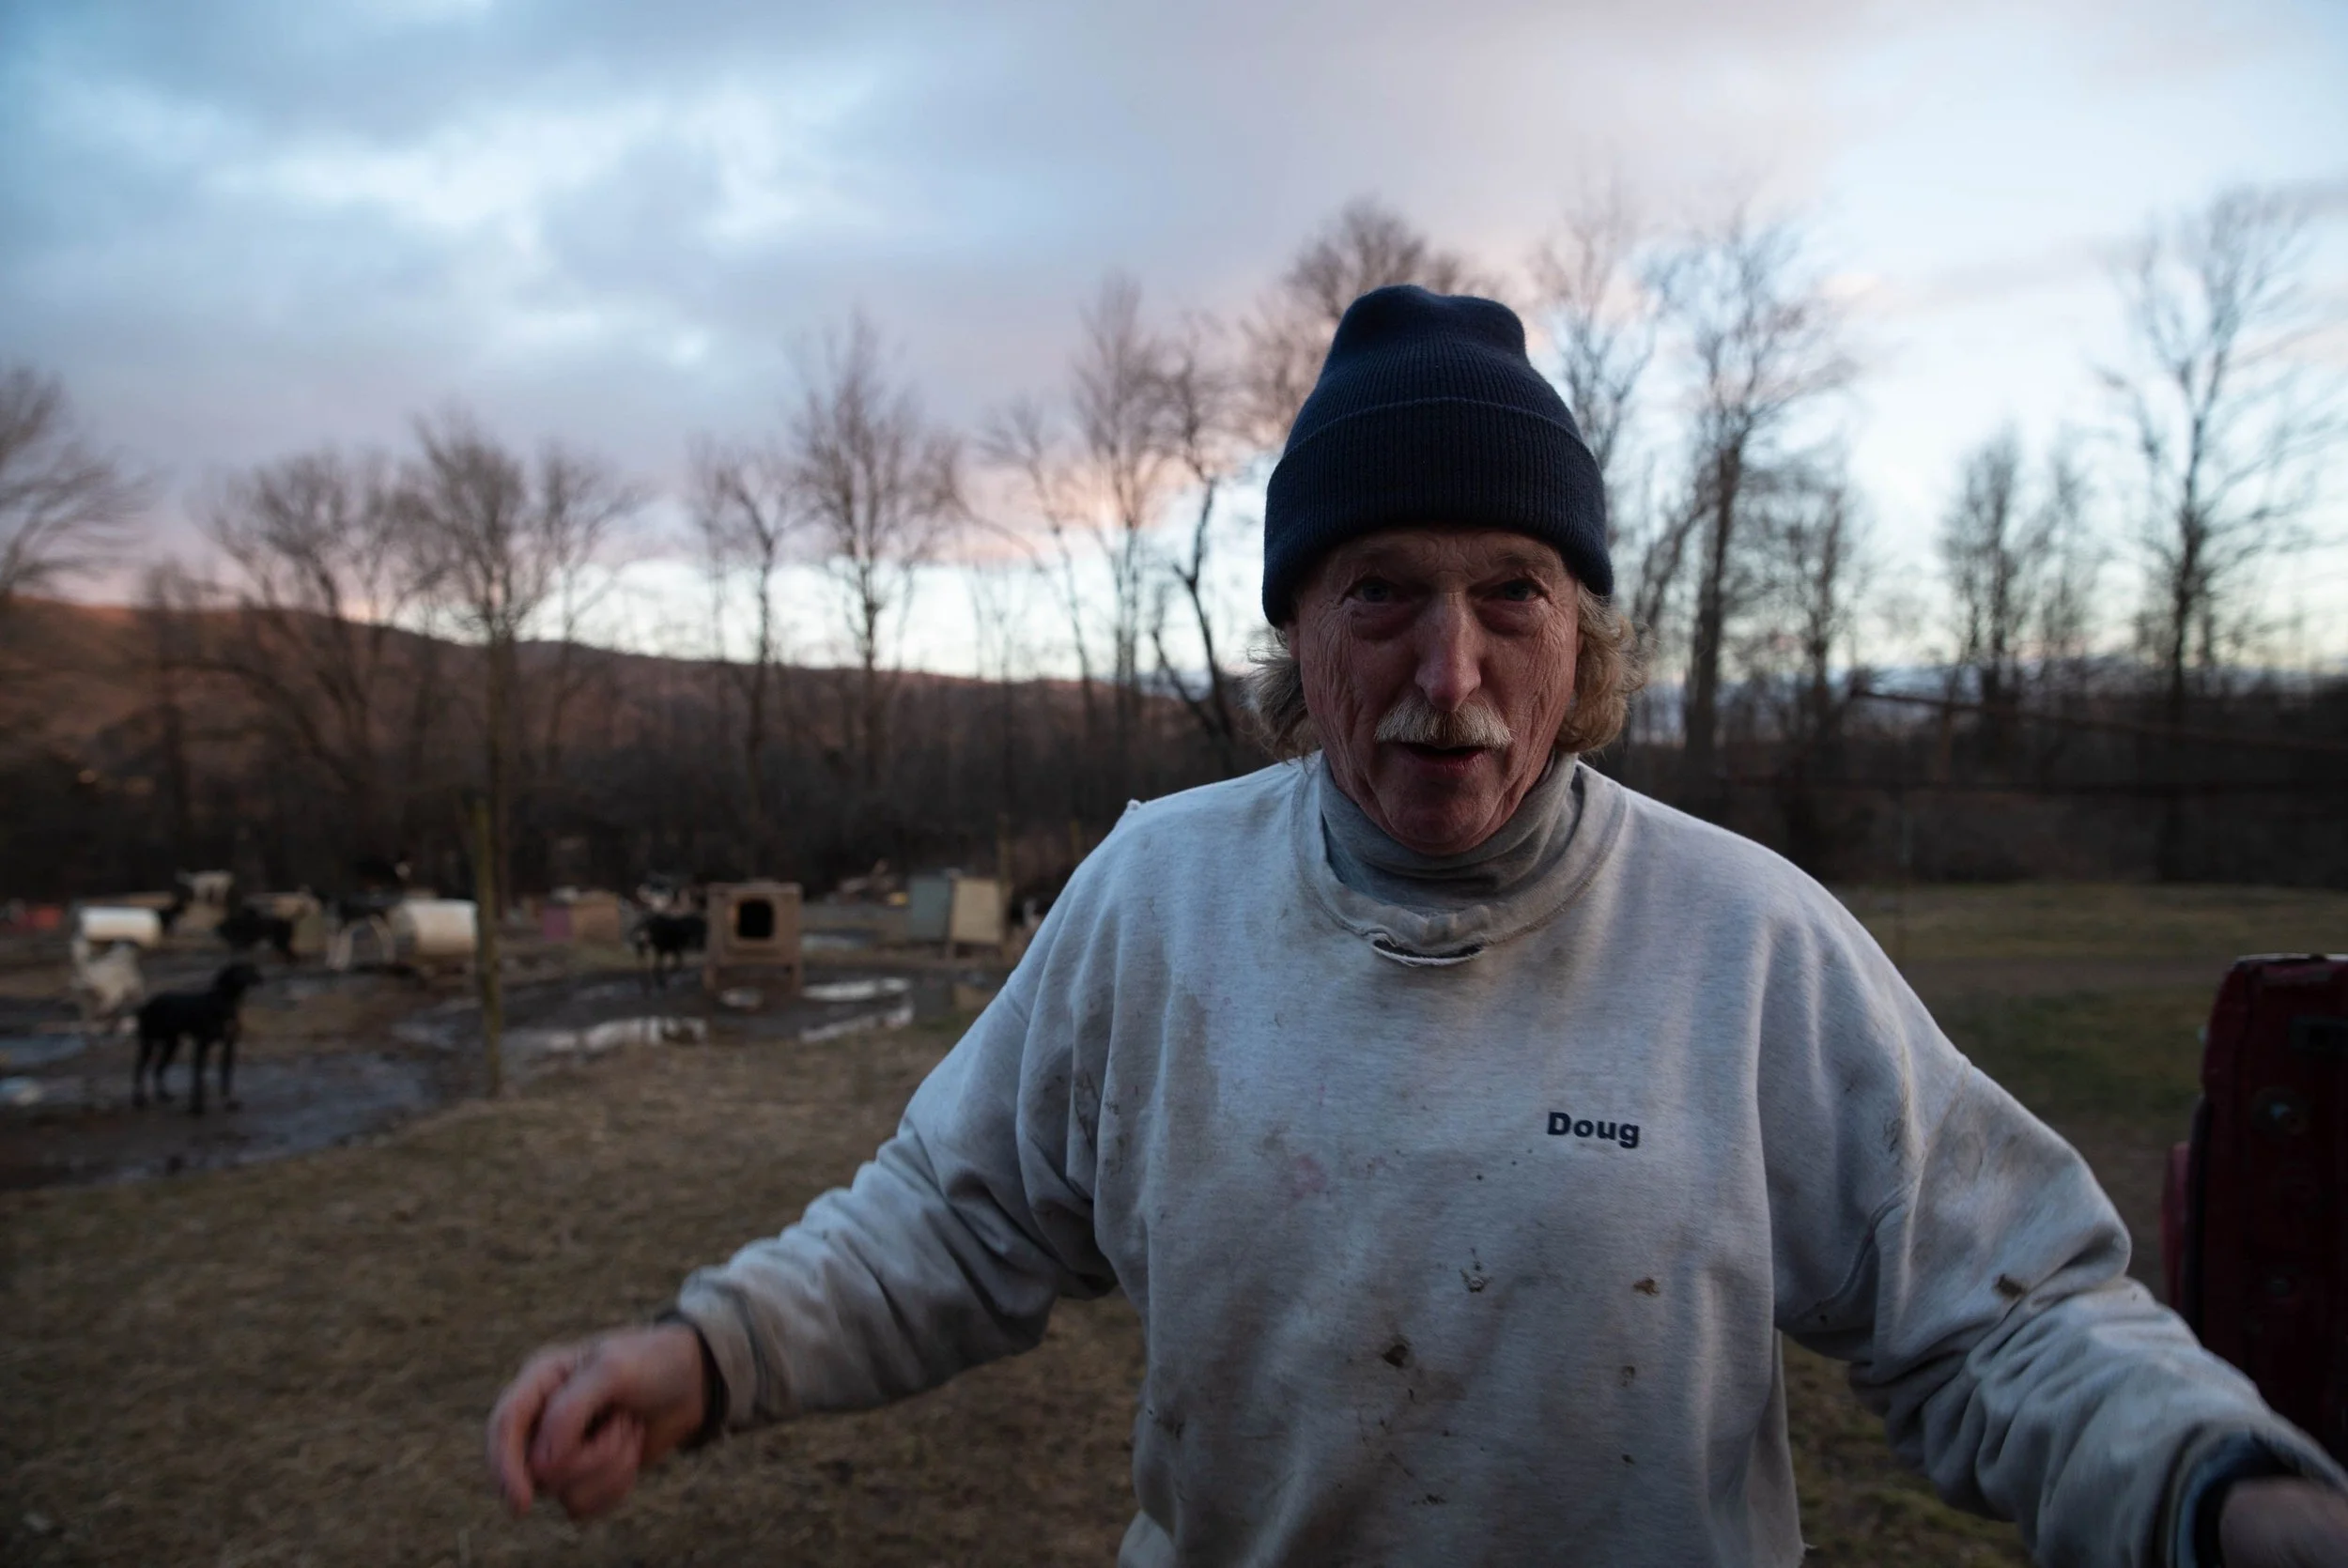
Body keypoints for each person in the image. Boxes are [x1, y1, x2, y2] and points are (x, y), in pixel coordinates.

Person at [487, 285, 2348, 1566]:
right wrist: (704, 1353)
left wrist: (2222, 1496)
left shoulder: (1742, 943)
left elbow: (1997, 1315)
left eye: (1508, 594)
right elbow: (953, 1218)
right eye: (1378, 592)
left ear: (1581, 631)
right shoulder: (1154, 897)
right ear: (1295, 637)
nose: (1445, 673)